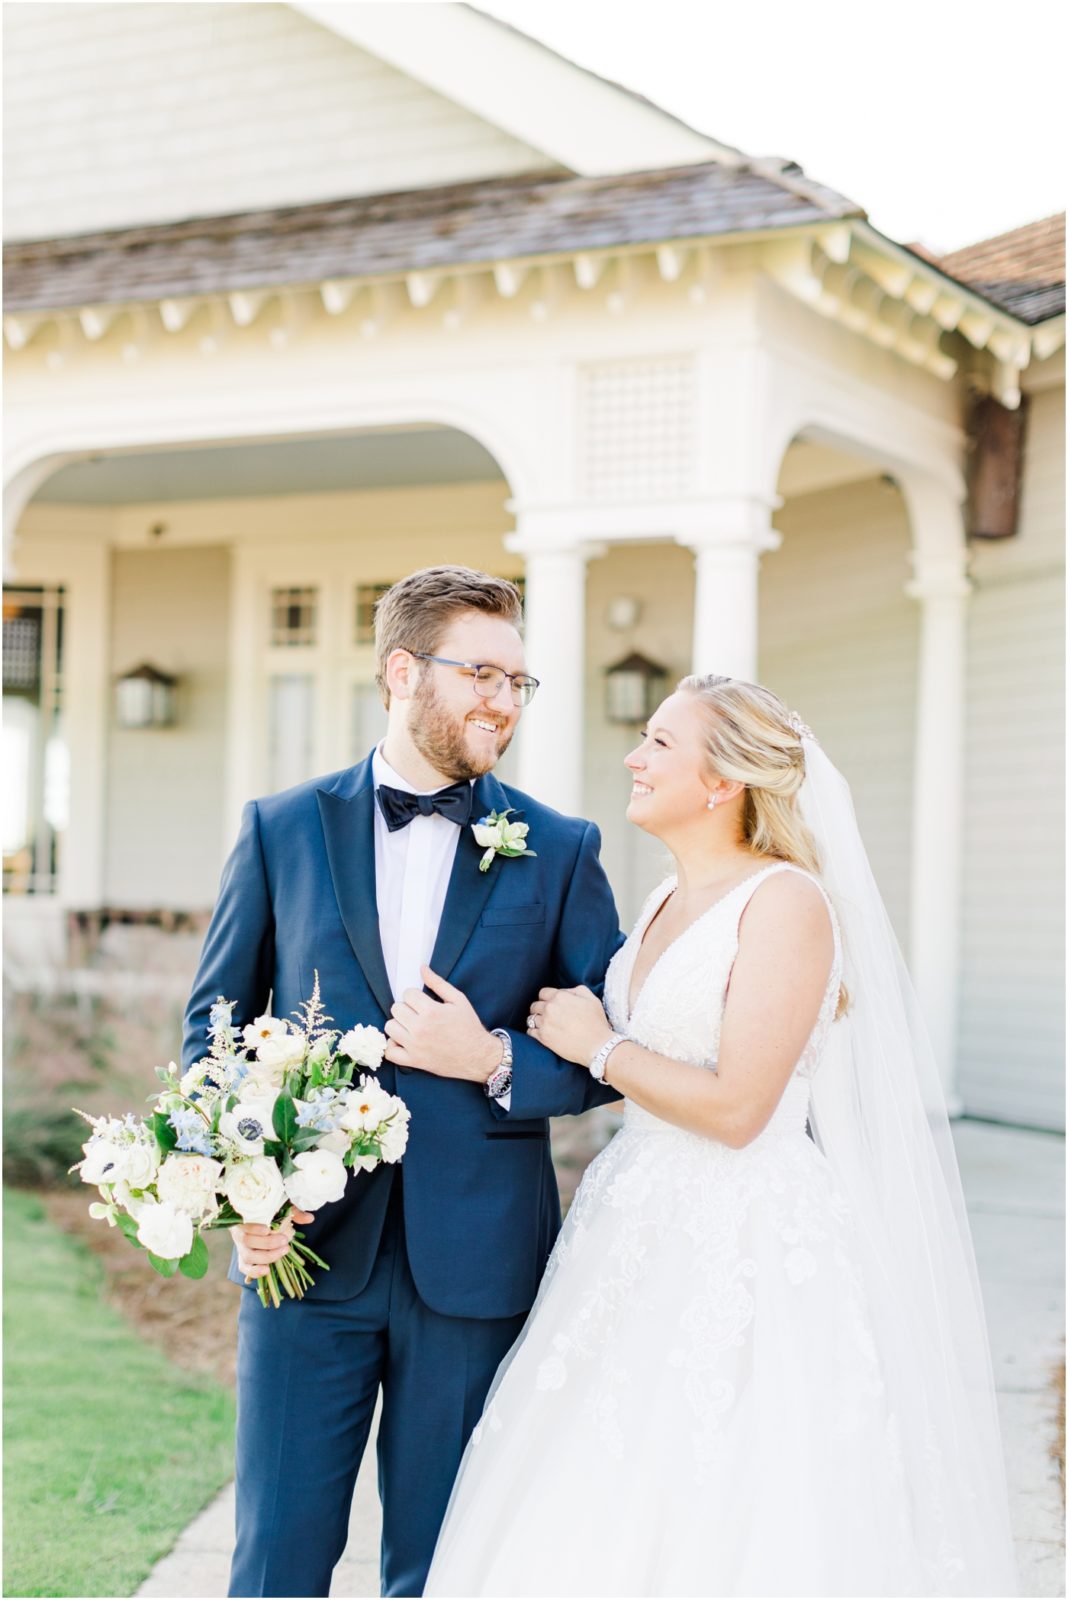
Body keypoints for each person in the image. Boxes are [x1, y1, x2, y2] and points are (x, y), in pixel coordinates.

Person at [424, 674, 1017, 1598]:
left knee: (733, 1489)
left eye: (661, 742)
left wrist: (600, 1044)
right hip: (632, 1225)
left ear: (723, 782)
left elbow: (741, 1109)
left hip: (745, 1240)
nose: (635, 756)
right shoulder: (661, 898)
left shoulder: (787, 904)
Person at [181, 566, 623, 1598]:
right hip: (302, 1255)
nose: (504, 702)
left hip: (474, 1266)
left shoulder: (559, 849)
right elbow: (216, 1027)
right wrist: (239, 1185)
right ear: (400, 670)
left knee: (445, 1568)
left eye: (520, 682)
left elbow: (612, 1053)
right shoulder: (279, 827)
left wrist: (497, 1058)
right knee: (276, 1559)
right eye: (483, 674)